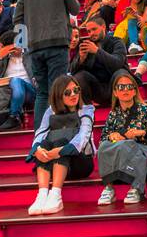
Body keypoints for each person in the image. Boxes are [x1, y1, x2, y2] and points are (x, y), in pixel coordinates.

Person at [13, 0, 81, 128]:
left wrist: (23, 44)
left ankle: (39, 134)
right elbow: (75, 8)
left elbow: (17, 18)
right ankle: (57, 132)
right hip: (57, 43)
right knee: (57, 89)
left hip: (34, 47)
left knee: (42, 93)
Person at [27, 74, 96, 215]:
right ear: (59, 95)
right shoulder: (50, 111)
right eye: (67, 92)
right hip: (56, 164)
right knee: (45, 143)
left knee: (60, 142)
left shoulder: (86, 109)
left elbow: (84, 135)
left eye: (76, 90)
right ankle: (42, 195)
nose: (73, 94)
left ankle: (56, 195)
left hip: (81, 163)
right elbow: (40, 132)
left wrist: (61, 150)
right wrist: (37, 150)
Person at [97, 69, 147, 206]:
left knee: (128, 144)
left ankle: (136, 188)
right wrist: (111, 136)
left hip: (143, 149)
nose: (125, 90)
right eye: (121, 87)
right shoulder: (113, 114)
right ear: (115, 92)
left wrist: (142, 133)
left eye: (129, 87)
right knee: (104, 146)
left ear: (134, 91)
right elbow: (103, 137)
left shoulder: (146, 110)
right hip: (122, 150)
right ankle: (109, 188)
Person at [70, 14, 127, 107]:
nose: (91, 33)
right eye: (88, 31)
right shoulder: (87, 45)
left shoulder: (117, 42)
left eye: (94, 29)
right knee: (80, 76)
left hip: (115, 86)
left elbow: (118, 64)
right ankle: (86, 110)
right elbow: (72, 72)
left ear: (103, 27)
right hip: (98, 89)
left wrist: (97, 51)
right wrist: (81, 59)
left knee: (121, 73)